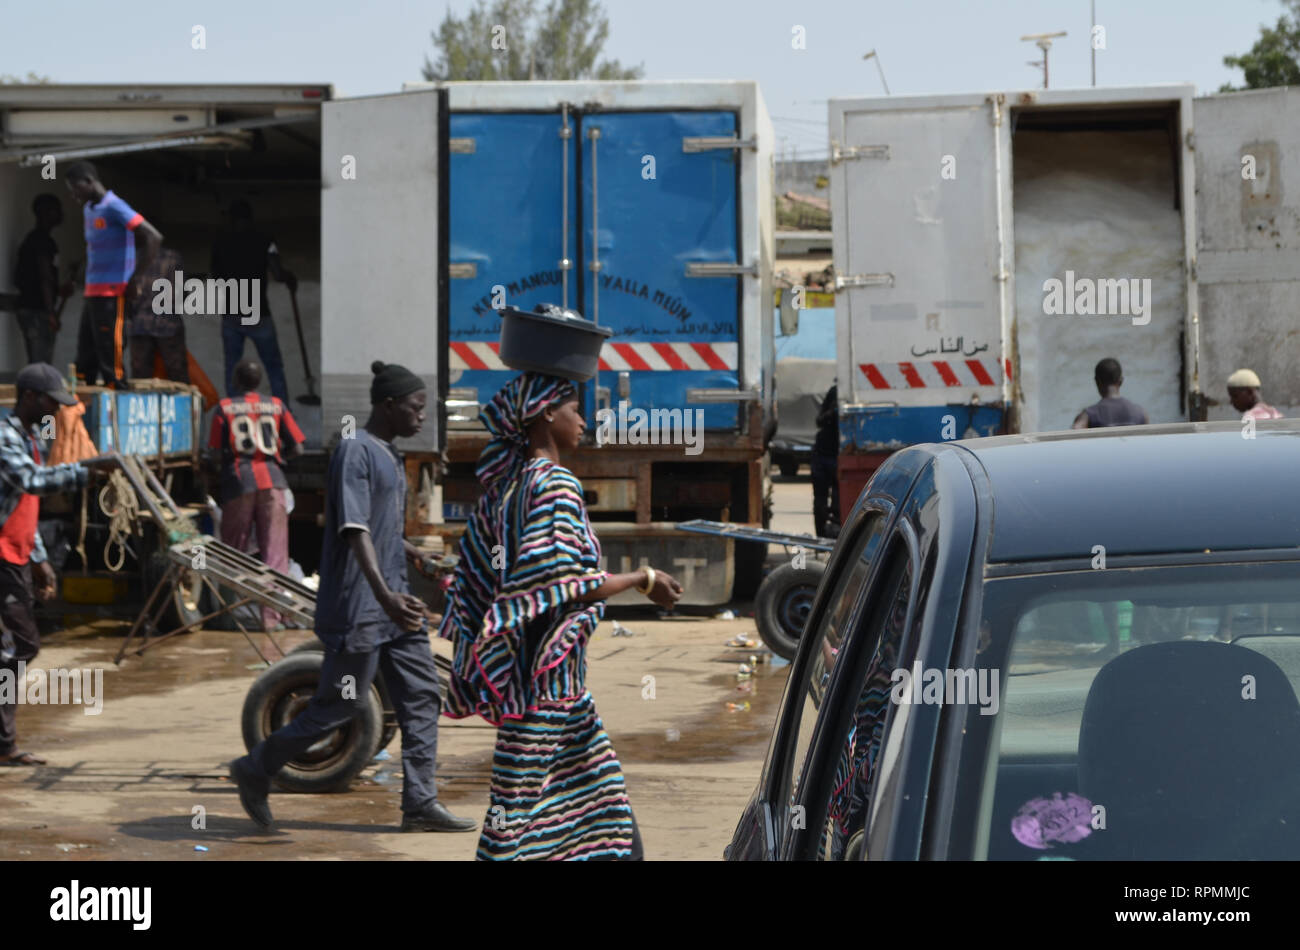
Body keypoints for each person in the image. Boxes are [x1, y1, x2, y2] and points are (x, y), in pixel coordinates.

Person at [440, 372, 684, 860]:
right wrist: (642, 579)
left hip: (552, 691)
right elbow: (561, 585)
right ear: (546, 414)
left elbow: (485, 582)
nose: (584, 421)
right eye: (575, 409)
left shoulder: (507, 489)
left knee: (603, 821)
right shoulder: (553, 484)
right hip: (544, 695)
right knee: (514, 831)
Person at [230, 361, 475, 833]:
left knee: (423, 696)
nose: (422, 417)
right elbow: (353, 530)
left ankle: (420, 803)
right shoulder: (354, 451)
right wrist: (384, 596)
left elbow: (378, 528)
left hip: (394, 606)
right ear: (388, 405)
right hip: (362, 608)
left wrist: (413, 555)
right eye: (415, 408)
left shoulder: (389, 453)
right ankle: (255, 767)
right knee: (341, 705)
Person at [0, 364, 95, 766]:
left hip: (16, 554)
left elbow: (25, 505)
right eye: (50, 404)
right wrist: (90, 468)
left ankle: (4, 744)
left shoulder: (31, 435)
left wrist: (39, 559)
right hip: (0, 557)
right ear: (28, 398)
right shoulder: (4, 436)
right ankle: (4, 743)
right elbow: (33, 482)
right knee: (23, 645)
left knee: (12, 650)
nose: (55, 412)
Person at [207, 359, 305, 631]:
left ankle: (229, 616)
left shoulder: (224, 408)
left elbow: (214, 452)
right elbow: (298, 448)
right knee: (275, 555)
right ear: (259, 380)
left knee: (233, 552)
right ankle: (271, 619)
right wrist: (276, 459)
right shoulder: (276, 405)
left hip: (239, 482)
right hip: (274, 482)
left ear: (236, 380)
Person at [63, 161, 163, 390]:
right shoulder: (89, 209)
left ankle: (117, 391)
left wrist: (135, 278)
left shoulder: (114, 206)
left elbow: (153, 237)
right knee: (86, 351)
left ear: (89, 182)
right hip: (92, 291)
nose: (73, 194)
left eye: (75, 187)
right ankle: (83, 397)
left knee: (111, 353)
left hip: (112, 291)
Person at [211, 200, 297, 404]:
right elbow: (277, 273)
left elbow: (215, 277)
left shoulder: (220, 241)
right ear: (250, 219)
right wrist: (290, 277)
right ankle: (283, 415)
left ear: (232, 219)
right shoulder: (266, 239)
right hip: (259, 314)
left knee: (232, 367)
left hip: (231, 314)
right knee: (274, 367)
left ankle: (234, 415)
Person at [12, 194, 71, 365]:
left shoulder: (40, 240)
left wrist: (58, 290)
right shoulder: (41, 241)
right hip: (36, 310)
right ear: (47, 213)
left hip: (35, 308)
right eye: (57, 210)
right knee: (40, 362)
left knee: (40, 360)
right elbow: (44, 277)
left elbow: (40, 279)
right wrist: (50, 313)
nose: (61, 214)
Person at [129, 247, 190, 383]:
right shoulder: (173, 257)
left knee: (140, 379)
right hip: (168, 324)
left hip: (140, 324)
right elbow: (183, 294)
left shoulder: (132, 259)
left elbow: (127, 293)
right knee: (177, 376)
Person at [1072, 358, 1149, 429]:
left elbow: (1076, 429)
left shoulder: (1089, 415)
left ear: (1096, 381)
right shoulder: (1140, 413)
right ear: (1121, 381)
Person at [812, 382, 841, 538]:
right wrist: (832, 412)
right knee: (820, 501)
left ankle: (833, 533)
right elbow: (819, 420)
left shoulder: (838, 392)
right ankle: (821, 536)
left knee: (837, 500)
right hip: (824, 455)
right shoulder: (835, 392)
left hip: (836, 456)